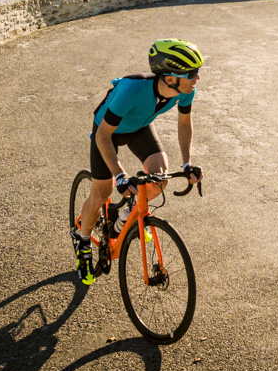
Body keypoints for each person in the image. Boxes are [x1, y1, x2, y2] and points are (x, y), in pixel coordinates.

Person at [71, 38, 204, 284]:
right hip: (107, 132)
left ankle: (124, 217)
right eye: (191, 73)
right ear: (170, 78)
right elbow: (103, 135)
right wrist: (120, 175)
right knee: (101, 193)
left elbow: (185, 123)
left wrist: (187, 164)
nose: (197, 78)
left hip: (139, 127)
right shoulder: (133, 89)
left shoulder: (186, 91)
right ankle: (83, 241)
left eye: (198, 71)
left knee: (159, 178)